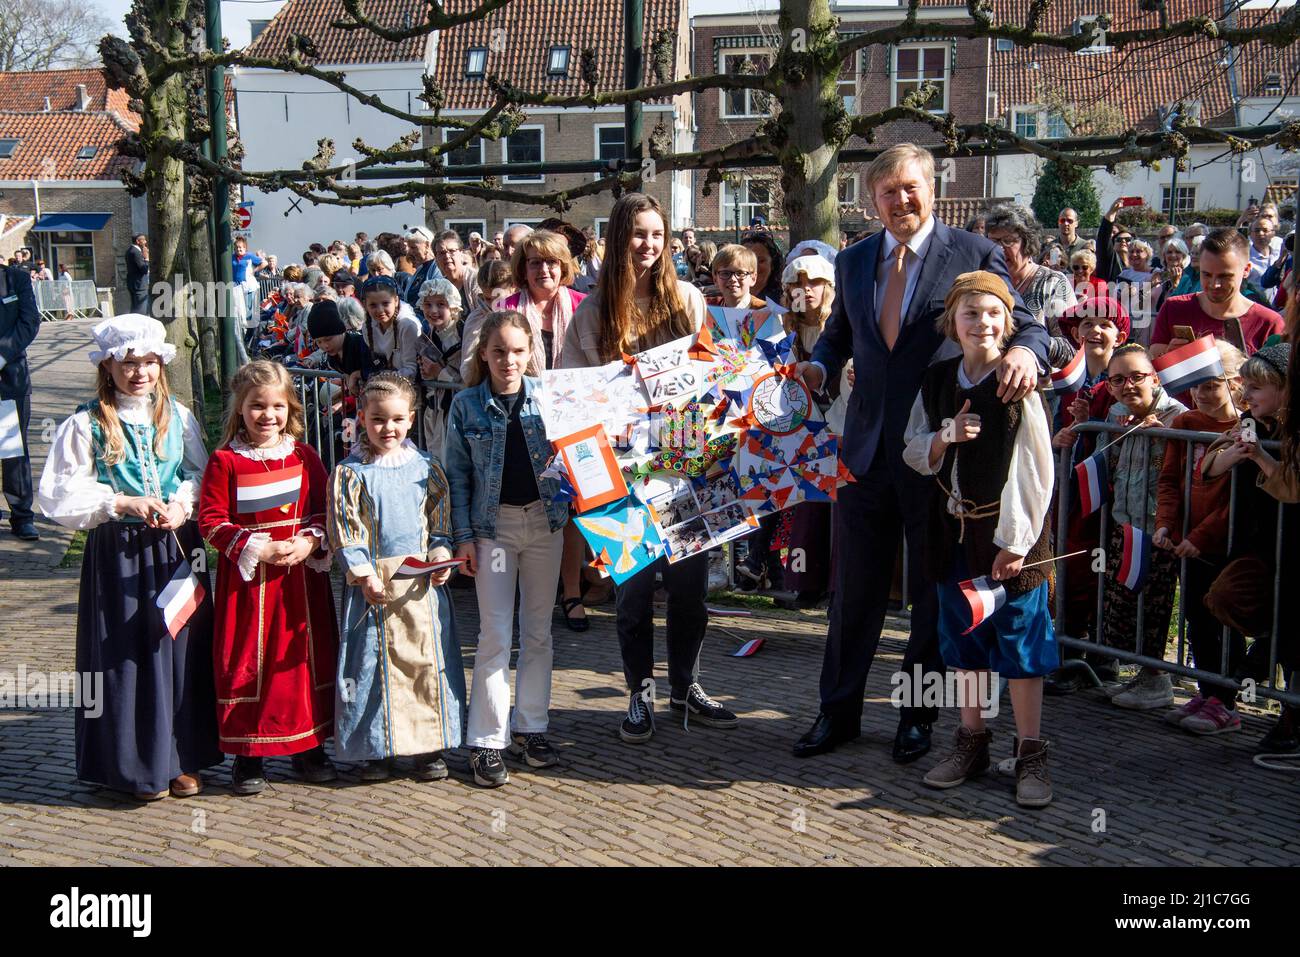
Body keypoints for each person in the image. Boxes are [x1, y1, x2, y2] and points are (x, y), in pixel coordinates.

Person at [792, 143, 1047, 764]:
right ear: (870, 199)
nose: (901, 201)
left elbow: (1032, 322)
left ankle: (917, 717)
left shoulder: (974, 252)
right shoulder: (852, 262)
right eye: (888, 192)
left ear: (932, 189)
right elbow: (838, 339)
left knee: (933, 593)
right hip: (865, 452)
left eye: (911, 188)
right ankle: (838, 712)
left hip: (940, 453)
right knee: (854, 590)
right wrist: (820, 370)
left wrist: (1025, 353)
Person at [559, 192, 739, 742]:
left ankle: (686, 684)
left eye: (657, 235)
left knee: (690, 589)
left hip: (684, 458)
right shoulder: (591, 313)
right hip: (622, 468)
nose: (649, 244)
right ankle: (640, 692)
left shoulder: (686, 298)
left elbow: (711, 375)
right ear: (618, 239)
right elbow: (573, 396)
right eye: (639, 234)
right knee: (633, 591)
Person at [36, 315, 221, 800]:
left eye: (148, 362)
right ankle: (136, 764)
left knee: (179, 649)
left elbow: (198, 472)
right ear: (108, 367)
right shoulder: (86, 423)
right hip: (118, 554)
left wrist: (183, 503)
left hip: (176, 548)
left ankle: (181, 757)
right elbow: (58, 494)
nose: (139, 372)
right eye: (128, 363)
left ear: (161, 363)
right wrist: (120, 502)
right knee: (126, 656)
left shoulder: (178, 416)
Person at [903, 272, 1057, 807]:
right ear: (953, 324)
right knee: (966, 645)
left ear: (1008, 323)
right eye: (971, 313)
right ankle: (972, 741)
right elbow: (913, 450)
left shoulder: (1018, 382)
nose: (982, 322)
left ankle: (1031, 751)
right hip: (953, 534)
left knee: (1021, 646)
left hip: (1009, 538)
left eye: (993, 313)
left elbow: (1036, 469)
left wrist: (1015, 542)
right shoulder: (937, 380)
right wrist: (945, 436)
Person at [198, 361, 340, 794]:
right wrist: (258, 547)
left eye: (277, 406)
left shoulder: (304, 455)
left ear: (290, 408)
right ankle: (249, 754)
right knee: (249, 662)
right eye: (257, 406)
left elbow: (321, 509)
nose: (268, 415)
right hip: (250, 586)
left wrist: (310, 541)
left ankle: (308, 746)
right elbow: (211, 520)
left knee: (300, 660)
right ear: (240, 409)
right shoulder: (225, 461)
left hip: (300, 583)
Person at [445, 311, 568, 786]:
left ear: (531, 352)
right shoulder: (467, 406)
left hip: (544, 523)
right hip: (492, 529)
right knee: (495, 635)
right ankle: (487, 740)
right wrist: (462, 539)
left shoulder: (550, 399)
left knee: (538, 631)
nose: (509, 360)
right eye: (499, 351)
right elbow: (456, 474)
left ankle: (531, 727)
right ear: (484, 353)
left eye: (518, 350)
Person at [326, 372, 465, 782]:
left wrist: (440, 553)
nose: (389, 429)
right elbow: (346, 528)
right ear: (363, 419)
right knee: (373, 663)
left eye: (397, 420)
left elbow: (438, 521)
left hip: (418, 584)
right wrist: (362, 573)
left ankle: (426, 747)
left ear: (411, 418)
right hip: (375, 584)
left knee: (423, 661)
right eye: (378, 420)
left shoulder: (426, 467)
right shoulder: (351, 473)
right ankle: (376, 749)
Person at [1202, 341, 1295, 750]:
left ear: (1284, 388)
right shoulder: (1250, 423)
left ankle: (1290, 720)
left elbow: (1293, 486)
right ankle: (1268, 645)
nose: (1246, 396)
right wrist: (1235, 453)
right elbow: (1207, 463)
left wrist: (1259, 457)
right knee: (1224, 597)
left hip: (1293, 545)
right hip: (1260, 546)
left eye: (1256, 388)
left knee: (1295, 640)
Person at [1153, 340, 1245, 733]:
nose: (1202, 394)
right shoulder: (1186, 423)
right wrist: (1166, 525)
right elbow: (1171, 479)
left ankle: (1226, 702)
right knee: (1194, 616)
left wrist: (1202, 536)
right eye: (1197, 385)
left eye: (1212, 384)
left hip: (1225, 543)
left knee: (1222, 619)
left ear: (1235, 384)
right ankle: (1207, 691)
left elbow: (1238, 500)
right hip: (1188, 541)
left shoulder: (1247, 429)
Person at [1097, 344, 1187, 710]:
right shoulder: (1117, 412)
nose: (1127, 385)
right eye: (1118, 379)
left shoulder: (1178, 416)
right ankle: (1140, 673)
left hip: (1161, 528)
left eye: (1136, 376)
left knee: (1155, 606)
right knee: (1124, 604)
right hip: (1125, 522)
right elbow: (1107, 458)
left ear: (1153, 377)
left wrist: (1160, 432)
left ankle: (1157, 679)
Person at [1151, 228, 1284, 359]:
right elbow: (1154, 358)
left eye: (1225, 276)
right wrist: (1171, 354)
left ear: (1246, 270)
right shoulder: (1174, 308)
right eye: (1207, 274)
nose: (1214, 284)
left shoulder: (1269, 323)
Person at [984, 203, 1077, 355]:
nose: (999, 249)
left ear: (1027, 242)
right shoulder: (983, 282)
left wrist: (1026, 347)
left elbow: (1070, 346)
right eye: (993, 241)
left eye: (1008, 241)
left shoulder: (1052, 282)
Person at [0, 259, 39, 541]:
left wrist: (1, 355)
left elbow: (29, 321)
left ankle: (22, 515)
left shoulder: (16, 279)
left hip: (10, 377)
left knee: (13, 448)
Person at [417, 278, 465, 462]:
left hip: (456, 409)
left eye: (440, 304)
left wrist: (440, 373)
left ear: (452, 306)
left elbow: (468, 378)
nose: (433, 311)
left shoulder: (462, 334)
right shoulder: (427, 335)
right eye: (428, 305)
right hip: (435, 409)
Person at [360, 274, 421, 379]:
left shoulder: (407, 325)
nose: (380, 310)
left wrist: (383, 379)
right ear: (365, 305)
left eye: (385, 303)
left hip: (406, 387)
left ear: (396, 301)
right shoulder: (367, 327)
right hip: (385, 385)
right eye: (373, 305)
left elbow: (411, 369)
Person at [432, 230, 481, 315]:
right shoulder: (439, 286)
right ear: (436, 258)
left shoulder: (476, 279)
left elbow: (484, 315)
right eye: (441, 253)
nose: (447, 256)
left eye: (452, 251)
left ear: (461, 253)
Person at [404, 226, 443, 310]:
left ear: (427, 245)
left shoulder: (437, 267)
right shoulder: (420, 268)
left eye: (413, 247)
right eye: (409, 247)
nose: (410, 251)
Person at [741, 231, 785, 303]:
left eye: (761, 261)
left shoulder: (784, 299)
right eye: (746, 260)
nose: (753, 266)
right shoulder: (725, 298)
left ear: (772, 264)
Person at [1248, 215, 1281, 284]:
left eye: (1265, 230)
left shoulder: (1279, 255)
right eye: (1257, 230)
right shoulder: (1245, 257)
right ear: (1250, 234)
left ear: (1273, 234)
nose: (1261, 233)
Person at [126, 234, 150, 314]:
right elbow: (144, 270)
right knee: (140, 311)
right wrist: (146, 258)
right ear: (137, 241)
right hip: (139, 285)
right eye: (143, 240)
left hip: (133, 284)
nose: (145, 242)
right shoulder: (136, 252)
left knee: (135, 309)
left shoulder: (129, 250)